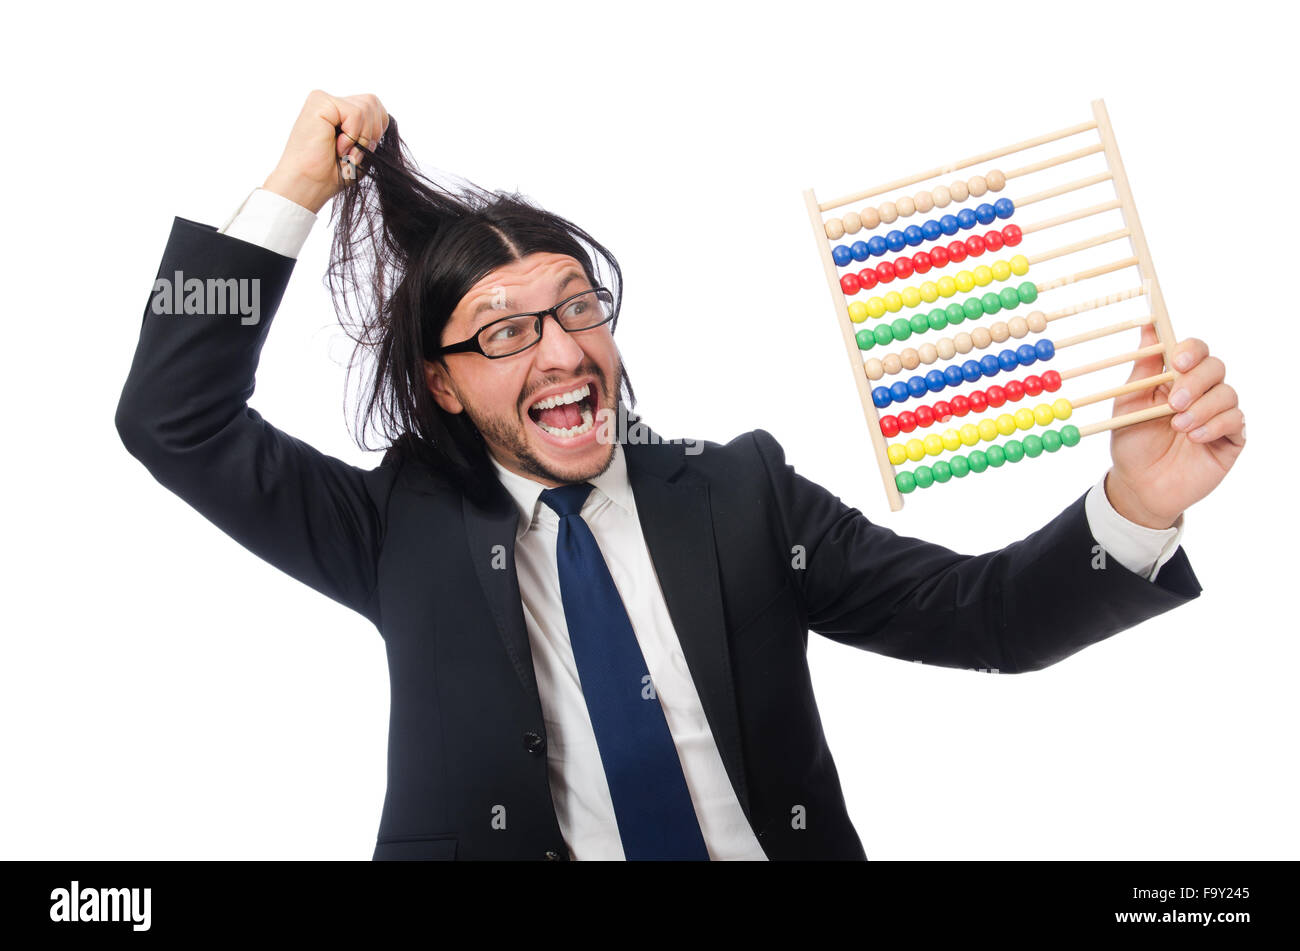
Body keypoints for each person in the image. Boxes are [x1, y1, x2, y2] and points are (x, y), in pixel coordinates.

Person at [115, 91, 1243, 861]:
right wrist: (290, 188)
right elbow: (172, 418)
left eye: (575, 308)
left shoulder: (740, 495)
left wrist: (1139, 505)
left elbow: (985, 617)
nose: (561, 350)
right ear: (444, 384)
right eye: (505, 334)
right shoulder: (392, 527)